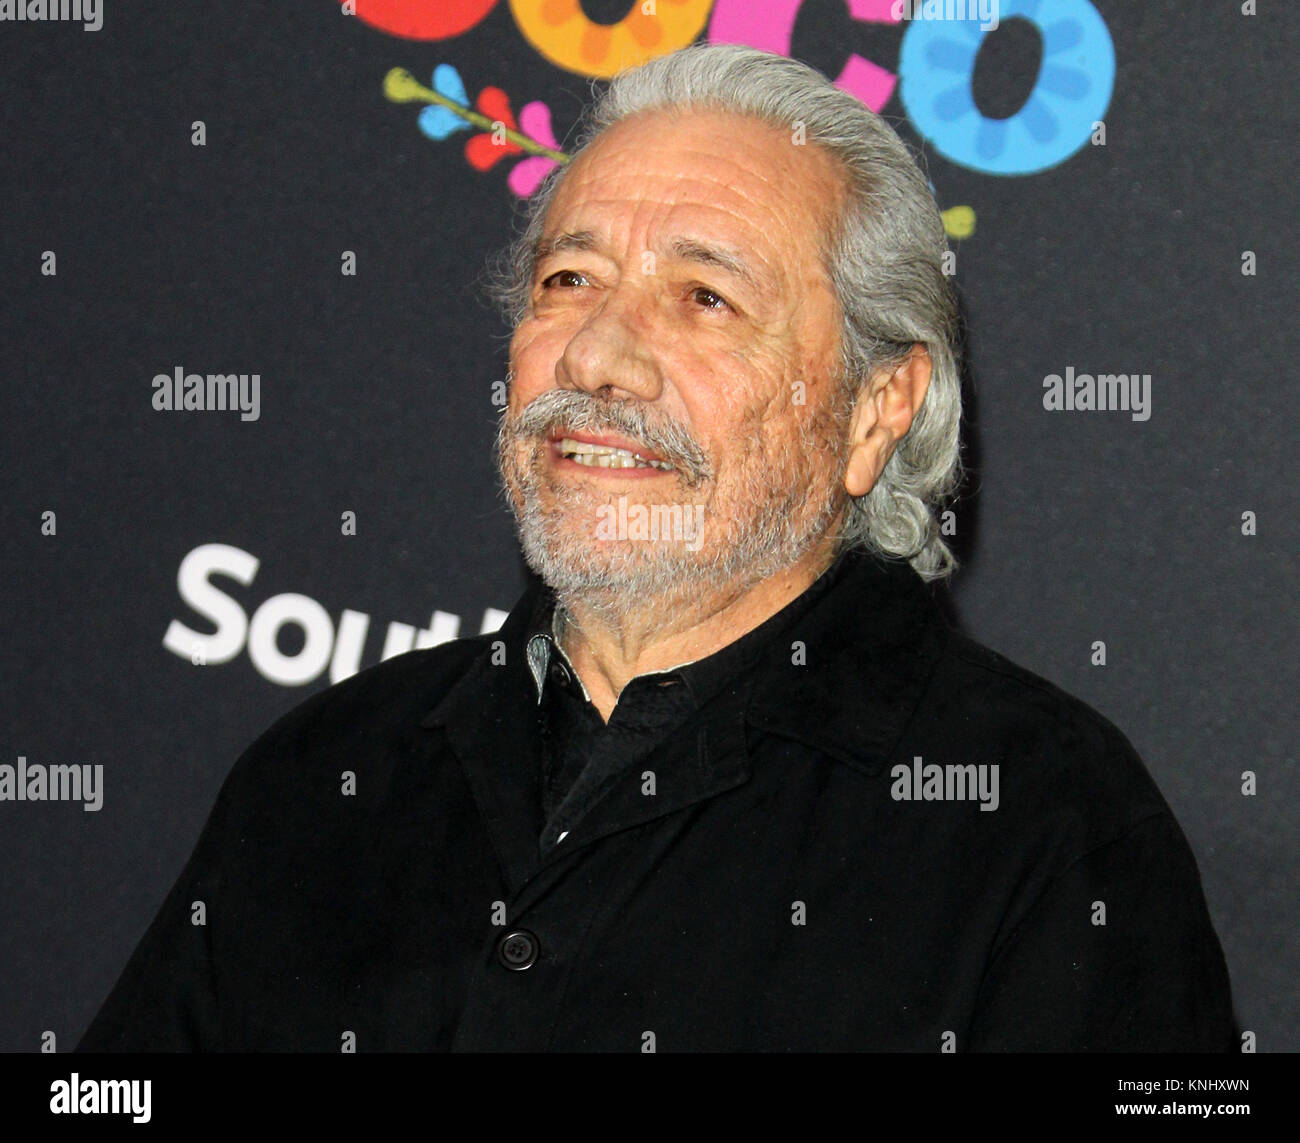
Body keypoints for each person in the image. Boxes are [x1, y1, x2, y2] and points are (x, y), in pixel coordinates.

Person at [78, 43, 1234, 1052]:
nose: (597, 358)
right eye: (567, 281)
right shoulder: (326, 776)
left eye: (703, 299)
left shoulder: (1045, 829)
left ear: (876, 409)